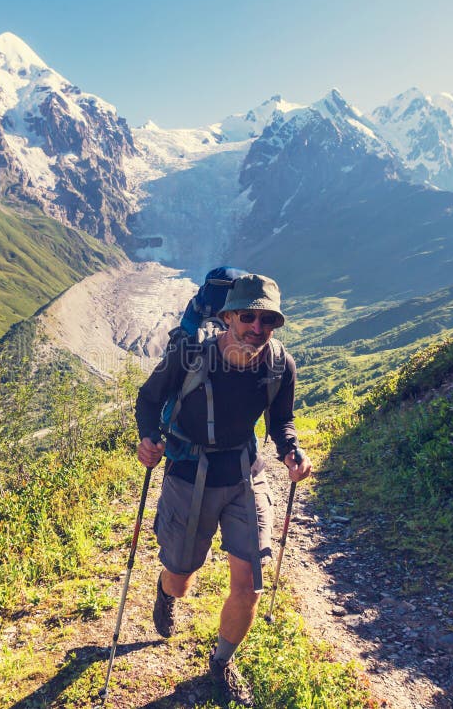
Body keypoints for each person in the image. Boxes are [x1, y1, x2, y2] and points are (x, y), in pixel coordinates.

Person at [135, 272, 311, 707]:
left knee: (250, 582)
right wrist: (148, 436)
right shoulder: (191, 354)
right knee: (181, 578)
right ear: (229, 315)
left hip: (243, 474)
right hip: (187, 471)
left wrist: (291, 450)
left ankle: (221, 663)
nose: (258, 327)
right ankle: (165, 591)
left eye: (267, 320)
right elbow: (148, 397)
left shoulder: (279, 365)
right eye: (249, 317)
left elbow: (281, 422)